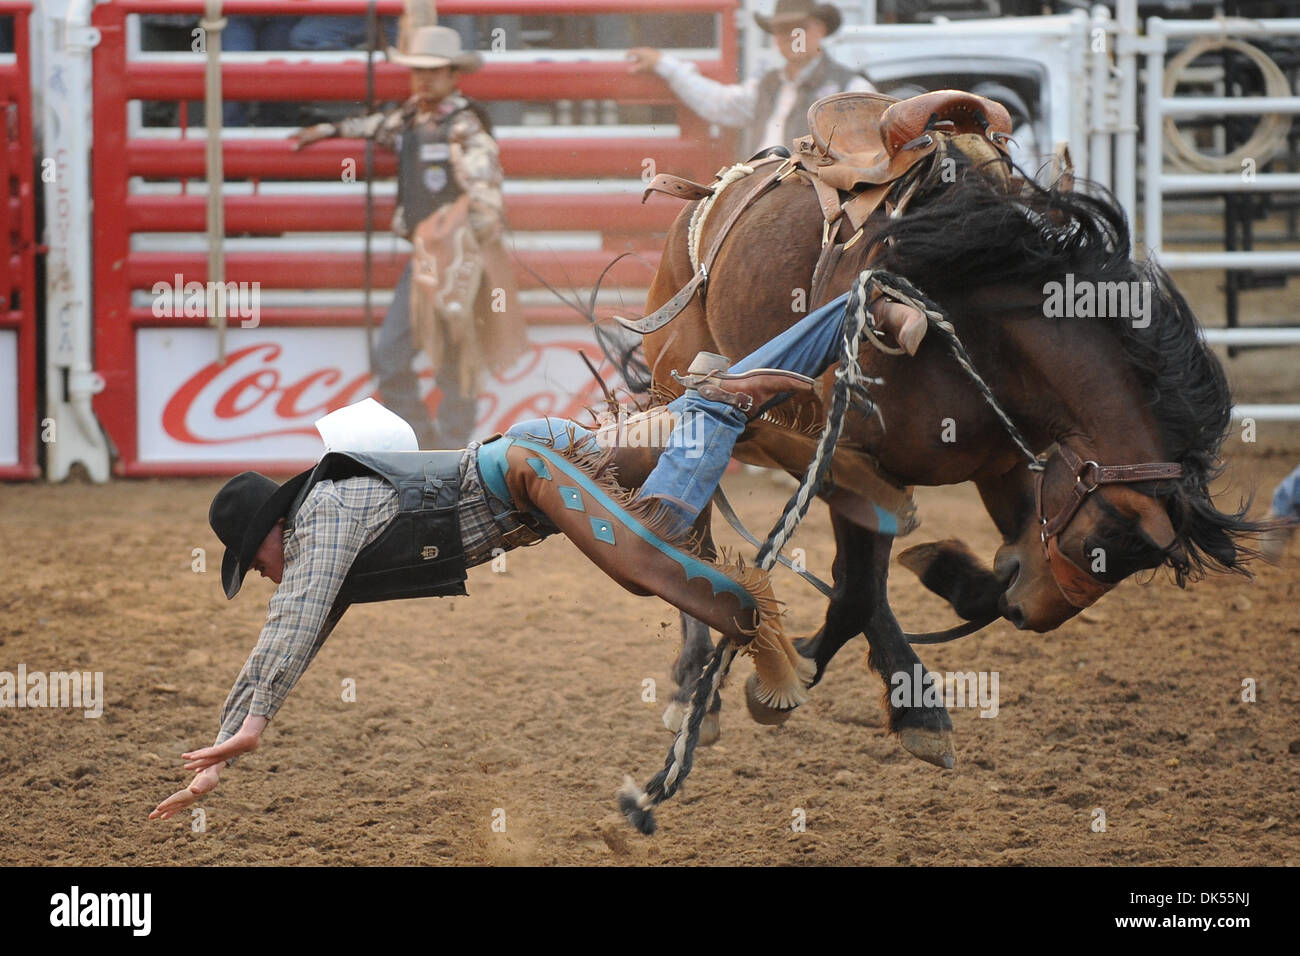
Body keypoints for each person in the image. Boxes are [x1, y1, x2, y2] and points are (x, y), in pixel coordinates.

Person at [148, 290, 925, 822]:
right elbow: (289, 639)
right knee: (672, 469)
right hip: (543, 463)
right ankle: (847, 312)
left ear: (274, 532)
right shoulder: (331, 537)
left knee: (643, 561)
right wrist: (225, 750)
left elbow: (289, 620)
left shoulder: (326, 513)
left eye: (254, 561)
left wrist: (251, 727)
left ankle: (751, 605)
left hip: (532, 471)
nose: (262, 573)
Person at [292, 25, 525, 450]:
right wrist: (330, 130)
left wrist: (465, 239)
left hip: (462, 258)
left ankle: (449, 450)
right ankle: (428, 446)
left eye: (434, 71)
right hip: (425, 256)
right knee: (392, 355)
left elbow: (486, 196)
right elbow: (377, 124)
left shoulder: (465, 125)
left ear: (454, 73)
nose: (425, 79)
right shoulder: (410, 117)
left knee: (456, 361)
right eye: (418, 70)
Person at [628, 0, 875, 158]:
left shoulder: (851, 90)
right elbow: (718, 102)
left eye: (798, 27)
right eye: (781, 30)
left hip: (811, 204)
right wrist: (665, 65)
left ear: (819, 30)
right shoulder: (767, 86)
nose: (791, 36)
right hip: (758, 193)